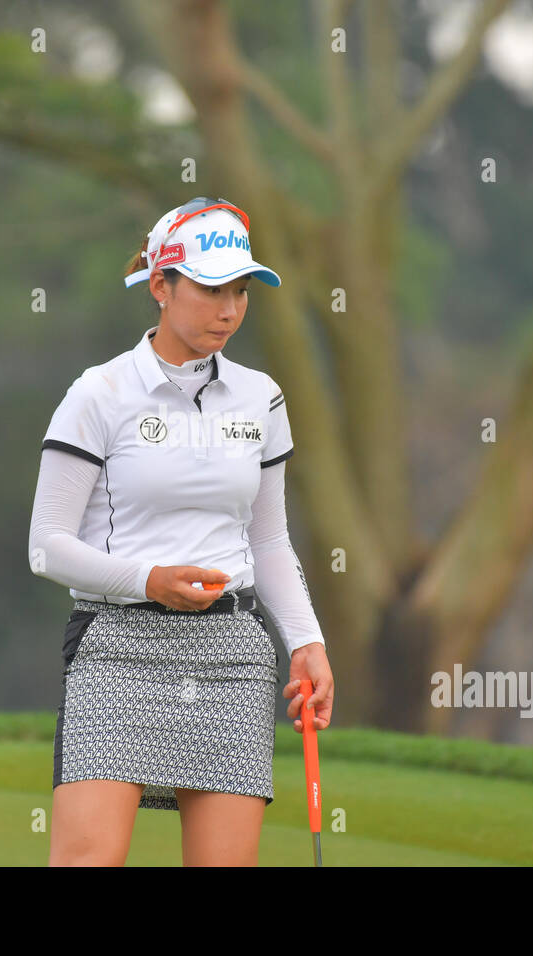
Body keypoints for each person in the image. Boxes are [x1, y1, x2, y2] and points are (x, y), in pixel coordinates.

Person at [29, 196, 334, 866]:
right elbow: (46, 545)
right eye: (209, 289)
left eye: (240, 290)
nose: (228, 309)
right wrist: (151, 581)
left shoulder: (262, 398)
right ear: (161, 287)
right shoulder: (99, 394)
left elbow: (269, 541)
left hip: (233, 655)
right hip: (117, 650)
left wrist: (307, 641)